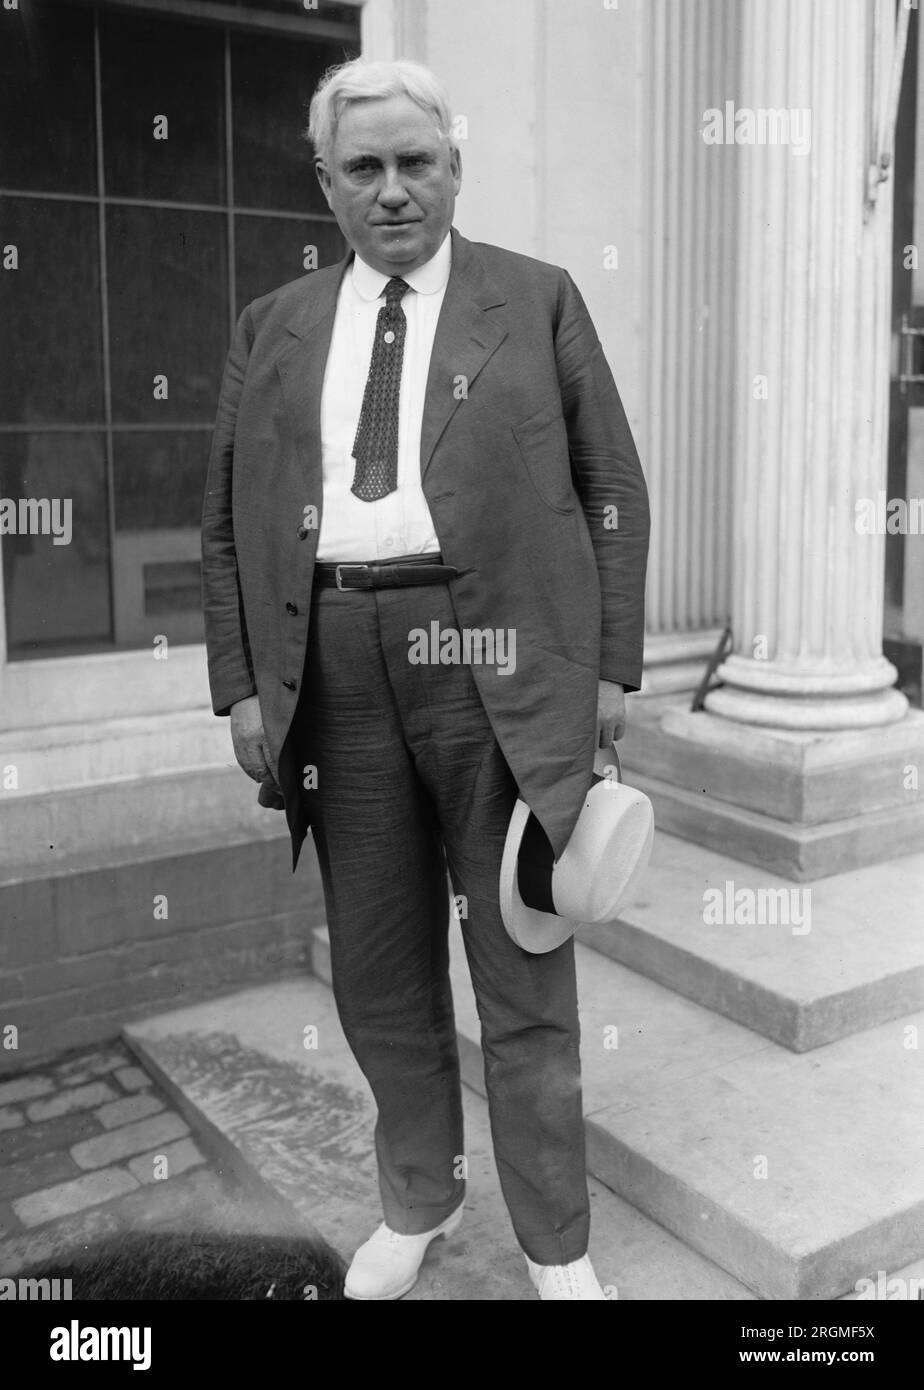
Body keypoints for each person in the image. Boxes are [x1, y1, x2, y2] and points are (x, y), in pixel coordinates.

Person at [201, 57, 650, 1301]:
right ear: (326, 184)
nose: (393, 190)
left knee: (521, 958)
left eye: (417, 163)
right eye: (366, 168)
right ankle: (419, 1200)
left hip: (496, 664)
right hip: (334, 663)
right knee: (381, 966)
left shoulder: (539, 300)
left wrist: (610, 668)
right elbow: (227, 525)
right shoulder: (273, 328)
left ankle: (559, 1245)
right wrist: (241, 684)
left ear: (455, 166)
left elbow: (612, 490)